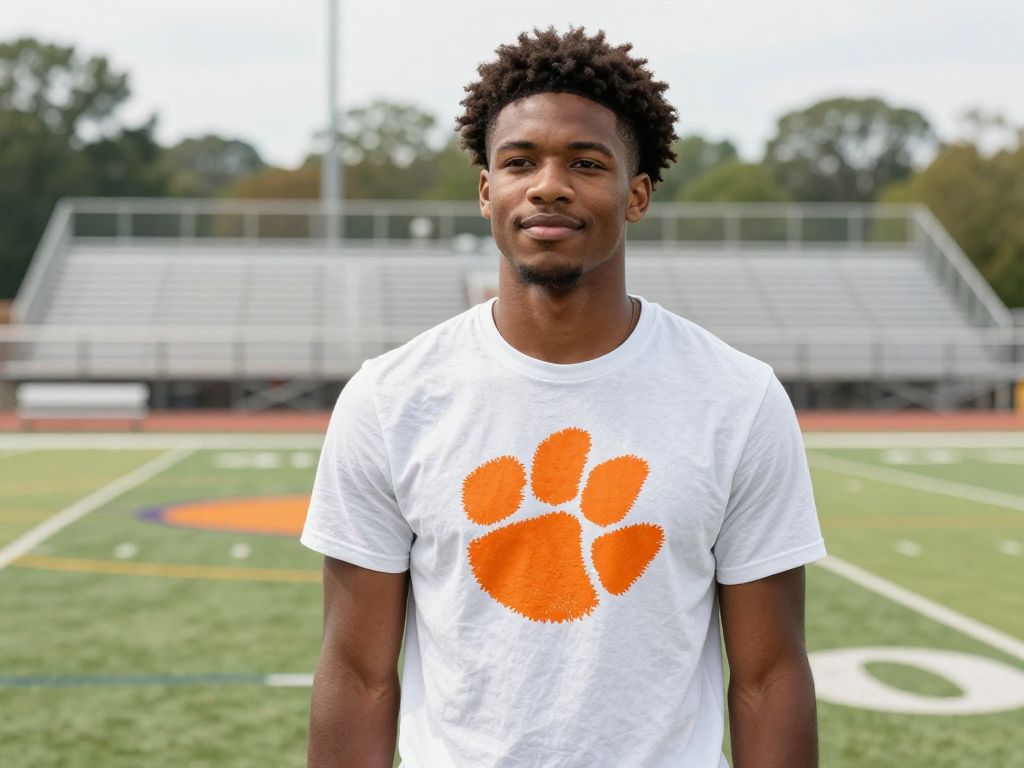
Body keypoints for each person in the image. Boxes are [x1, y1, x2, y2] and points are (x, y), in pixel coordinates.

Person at [302, 26, 826, 768]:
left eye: (585, 162)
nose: (548, 184)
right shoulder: (391, 399)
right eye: (519, 162)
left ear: (636, 195)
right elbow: (357, 675)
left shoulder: (737, 399)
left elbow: (769, 678)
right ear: (487, 193)